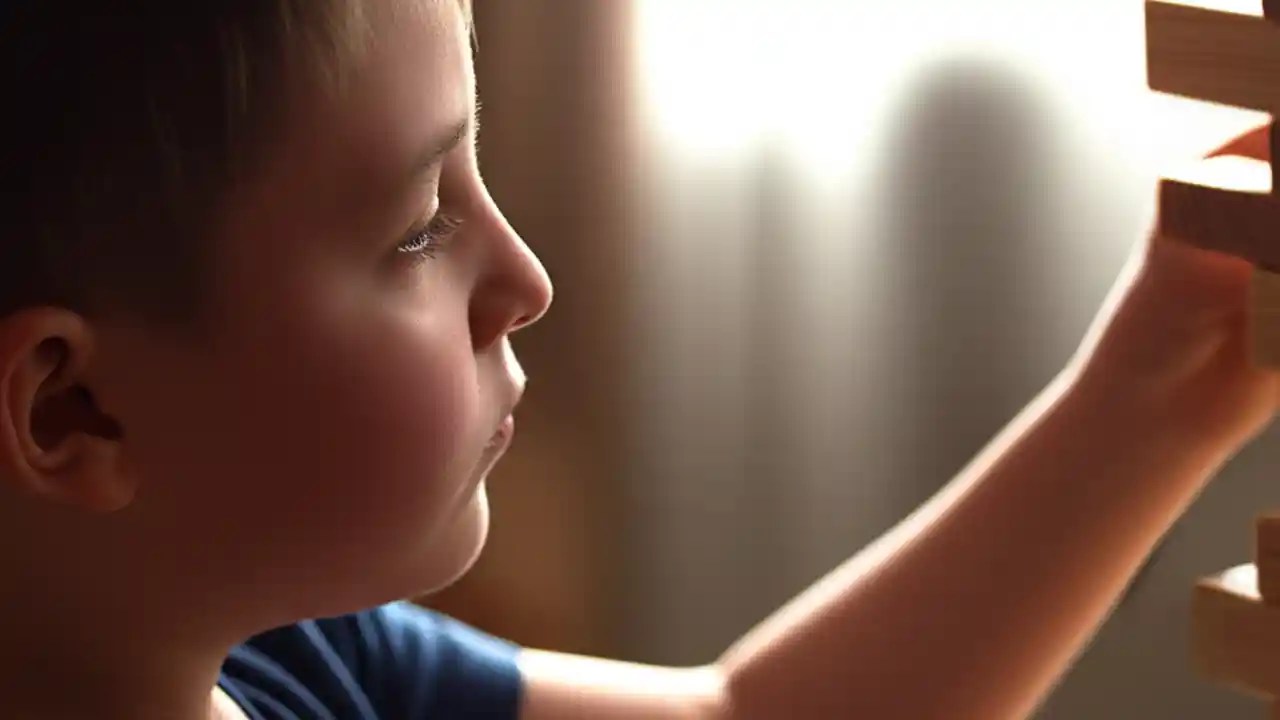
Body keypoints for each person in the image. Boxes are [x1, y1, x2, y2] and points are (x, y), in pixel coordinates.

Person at [0, 1, 1272, 718]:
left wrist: (1158, 381)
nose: (525, 278)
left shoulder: (302, 667)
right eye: (418, 227)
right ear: (76, 410)